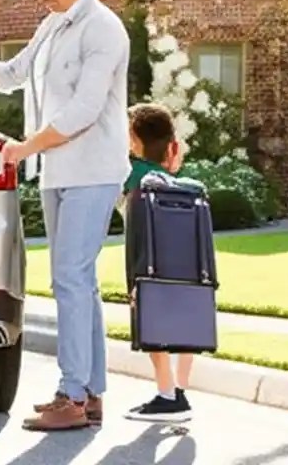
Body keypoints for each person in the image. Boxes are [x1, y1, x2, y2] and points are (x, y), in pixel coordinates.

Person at [0, 0, 131, 431]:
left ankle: (70, 395)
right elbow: (9, 75)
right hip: (58, 171)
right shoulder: (51, 25)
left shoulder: (104, 30)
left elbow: (86, 110)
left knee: (69, 277)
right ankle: (89, 394)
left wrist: (25, 147)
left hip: (93, 170)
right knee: (80, 283)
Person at [122, 103, 196, 422]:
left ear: (135, 140)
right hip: (182, 256)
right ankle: (179, 388)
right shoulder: (169, 179)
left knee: (150, 315)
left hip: (146, 254)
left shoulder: (129, 173)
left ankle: (167, 395)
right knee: (182, 316)